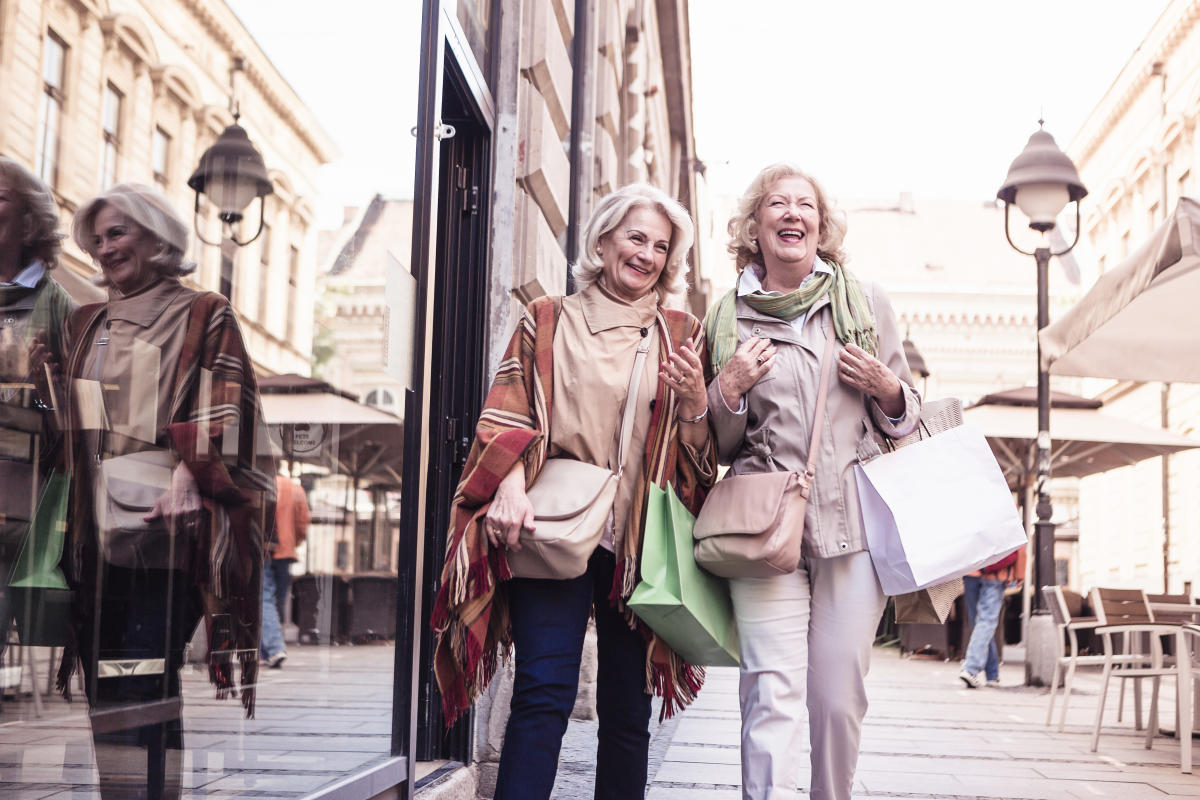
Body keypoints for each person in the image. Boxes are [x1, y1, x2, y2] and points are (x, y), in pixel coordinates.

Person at [431, 183, 716, 800]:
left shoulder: (682, 332)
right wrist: (507, 484)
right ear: (604, 238)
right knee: (542, 692)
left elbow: (703, 452)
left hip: (639, 542)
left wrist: (695, 402)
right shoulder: (547, 318)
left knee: (626, 709)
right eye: (636, 237)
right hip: (552, 526)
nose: (646, 255)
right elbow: (507, 412)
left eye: (661, 247)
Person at [45, 183, 273, 798]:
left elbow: (231, 407)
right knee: (105, 682)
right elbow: (58, 419)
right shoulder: (83, 320)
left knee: (144, 678)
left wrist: (187, 473)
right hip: (88, 539)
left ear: (157, 235)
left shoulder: (202, 311)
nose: (104, 247)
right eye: (97, 238)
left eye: (117, 232)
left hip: (164, 531)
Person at [703, 163, 921, 800]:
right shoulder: (727, 318)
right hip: (764, 525)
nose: (792, 213)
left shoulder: (863, 302)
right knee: (771, 691)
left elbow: (906, 419)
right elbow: (715, 446)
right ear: (756, 225)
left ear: (821, 227)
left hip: (851, 525)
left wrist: (887, 388)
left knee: (836, 698)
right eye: (778, 203)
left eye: (805, 205)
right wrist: (729, 391)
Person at [0, 156, 75, 660]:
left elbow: (76, 419)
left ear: (30, 222)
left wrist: (37, 389)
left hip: (14, 506)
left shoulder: (57, 305)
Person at [260, 470, 310, 668]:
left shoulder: (256, 481)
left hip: (262, 550)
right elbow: (302, 522)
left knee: (265, 599)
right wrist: (292, 542)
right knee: (275, 600)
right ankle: (271, 648)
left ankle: (271, 649)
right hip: (285, 551)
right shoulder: (294, 488)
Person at [959, 547, 1024, 689]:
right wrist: (1019, 574)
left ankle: (992, 674)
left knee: (981, 624)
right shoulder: (1009, 524)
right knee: (985, 623)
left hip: (973, 571)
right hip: (995, 575)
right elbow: (1019, 545)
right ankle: (971, 668)